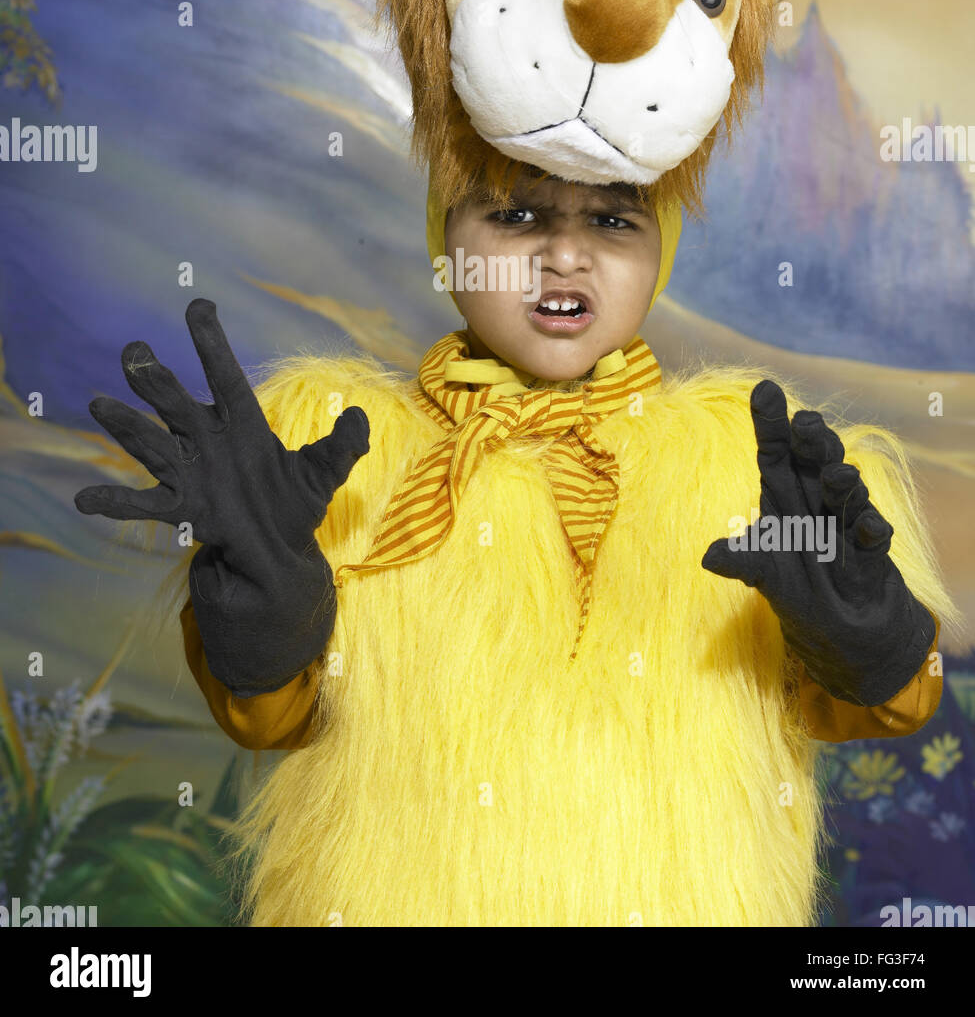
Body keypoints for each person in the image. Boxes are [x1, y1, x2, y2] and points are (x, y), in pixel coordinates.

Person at [75, 167, 960, 927]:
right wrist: (259, 600)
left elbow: (882, 706)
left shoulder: (748, 464)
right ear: (443, 237)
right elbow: (267, 719)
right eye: (514, 214)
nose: (565, 255)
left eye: (614, 219)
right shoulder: (336, 454)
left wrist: (865, 636)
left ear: (663, 250)